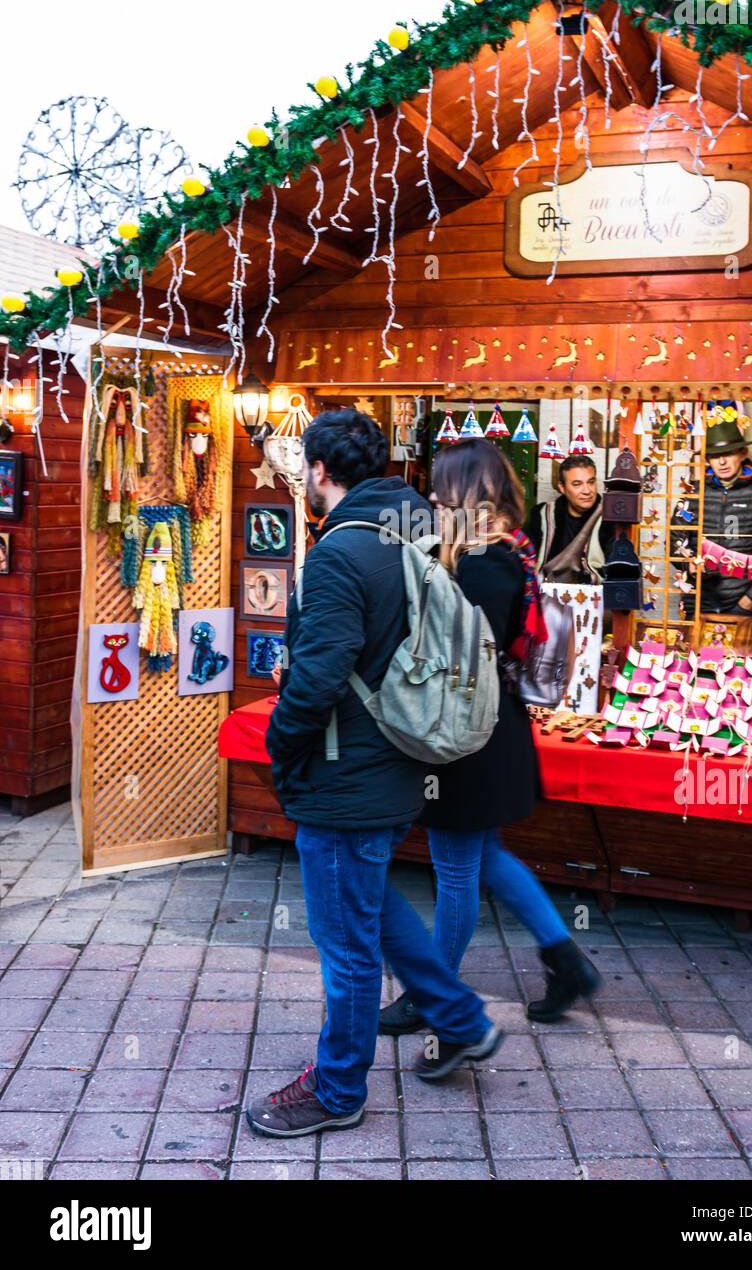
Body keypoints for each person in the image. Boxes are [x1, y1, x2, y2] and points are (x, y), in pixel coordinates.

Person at [248, 410, 501, 1140]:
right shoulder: (421, 534)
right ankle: (458, 1018)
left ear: (321, 474)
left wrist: (280, 746)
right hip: (398, 764)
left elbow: (320, 674)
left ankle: (337, 1088)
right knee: (371, 903)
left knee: (346, 944)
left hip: (341, 775)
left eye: (305, 472)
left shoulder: (337, 553)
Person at [379, 438, 601, 1038]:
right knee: (483, 858)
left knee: (455, 867)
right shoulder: (511, 550)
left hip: (468, 731)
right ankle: (565, 960)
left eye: (440, 486)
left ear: (465, 493)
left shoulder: (479, 564)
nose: (430, 495)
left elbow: (453, 654)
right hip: (495, 726)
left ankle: (433, 994)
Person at [681, 408, 752, 615]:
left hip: (744, 604)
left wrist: (751, 600)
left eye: (728, 453)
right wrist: (688, 564)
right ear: (707, 460)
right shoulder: (694, 493)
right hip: (697, 602)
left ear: (743, 453)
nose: (721, 462)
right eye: (714, 456)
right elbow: (675, 539)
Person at [523, 453, 615, 583]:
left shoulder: (608, 518)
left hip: (592, 596)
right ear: (562, 488)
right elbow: (525, 559)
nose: (587, 490)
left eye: (591, 482)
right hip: (546, 593)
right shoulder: (543, 514)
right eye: (577, 484)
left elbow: (616, 571)